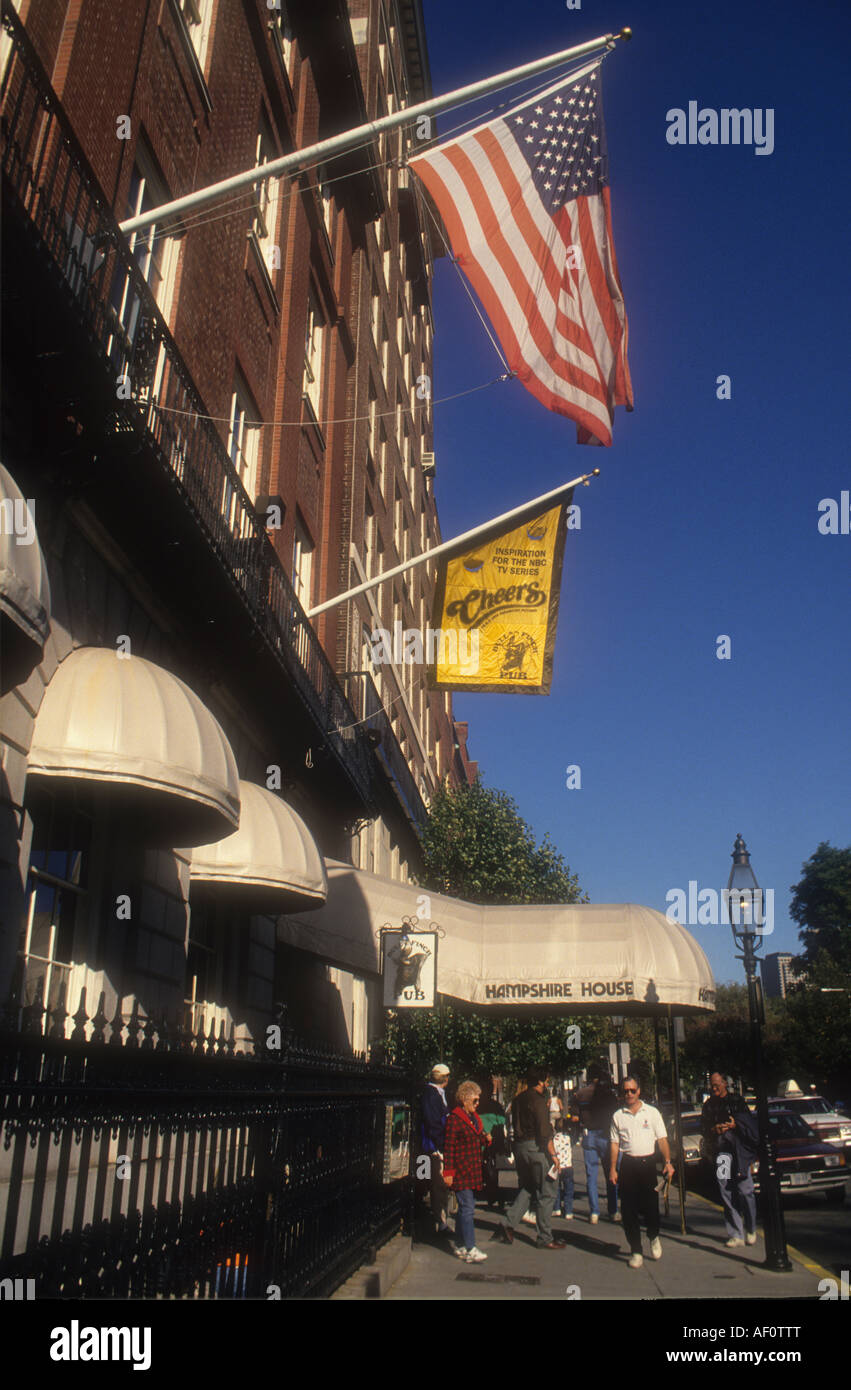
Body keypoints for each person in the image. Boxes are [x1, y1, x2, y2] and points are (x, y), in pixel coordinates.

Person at [496, 1067, 566, 1250]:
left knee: (528, 1188)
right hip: (536, 1148)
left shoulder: (518, 1099)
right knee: (547, 1191)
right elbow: (544, 1132)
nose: (548, 1083)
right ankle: (545, 1236)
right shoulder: (539, 1101)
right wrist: (554, 1155)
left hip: (520, 1148)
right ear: (542, 1081)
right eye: (547, 1080)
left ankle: (507, 1224)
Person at [608, 1076, 674, 1269]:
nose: (628, 1094)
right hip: (628, 1165)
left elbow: (662, 1139)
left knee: (651, 1208)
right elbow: (614, 1144)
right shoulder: (617, 1116)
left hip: (648, 1165)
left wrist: (668, 1162)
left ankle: (653, 1236)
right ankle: (636, 1250)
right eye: (625, 1091)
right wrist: (613, 1168)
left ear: (639, 1091)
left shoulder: (652, 1113)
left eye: (632, 1090)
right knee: (628, 1211)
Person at [700, 1072, 758, 1248]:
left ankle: (751, 1227)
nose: (714, 1088)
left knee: (745, 1190)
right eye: (712, 1085)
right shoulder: (709, 1105)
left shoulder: (737, 1101)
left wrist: (734, 1125)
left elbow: (748, 1123)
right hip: (722, 1154)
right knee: (726, 1190)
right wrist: (714, 1129)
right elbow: (704, 1128)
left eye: (717, 1084)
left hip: (739, 1152)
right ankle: (735, 1233)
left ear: (725, 1083)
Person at [443, 1079, 491, 1263]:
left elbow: (476, 1137)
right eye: (475, 1100)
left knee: (465, 1207)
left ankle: (460, 1244)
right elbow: (449, 1147)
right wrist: (448, 1172)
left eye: (478, 1100)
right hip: (461, 1170)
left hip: (472, 1169)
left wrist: (485, 1139)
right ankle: (470, 1247)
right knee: (468, 1208)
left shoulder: (473, 1118)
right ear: (464, 1099)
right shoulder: (455, 1119)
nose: (477, 1104)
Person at [574, 1065, 620, 1223]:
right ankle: (613, 1210)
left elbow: (575, 1114)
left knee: (591, 1176)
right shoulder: (608, 1094)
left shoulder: (581, 1094)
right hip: (606, 1135)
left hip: (589, 1135)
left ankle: (594, 1211)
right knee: (611, 1174)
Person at [420, 1063, 451, 1235]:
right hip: (433, 1148)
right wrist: (441, 1145)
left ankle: (440, 1220)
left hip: (434, 1146)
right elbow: (433, 1123)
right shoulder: (432, 1095)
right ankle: (440, 1223)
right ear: (445, 1078)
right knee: (437, 1185)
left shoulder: (436, 1093)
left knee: (436, 1184)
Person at [477, 1081, 508, 1210]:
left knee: (489, 1170)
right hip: (484, 1143)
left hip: (487, 1143)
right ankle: (493, 1195)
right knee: (490, 1171)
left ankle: (492, 1194)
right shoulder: (492, 1106)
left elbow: (501, 1125)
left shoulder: (483, 1106)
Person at [553, 1118, 574, 1218]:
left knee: (556, 1188)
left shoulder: (554, 1139)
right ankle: (568, 1211)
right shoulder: (568, 1138)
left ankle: (556, 1208)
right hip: (568, 1167)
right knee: (568, 1190)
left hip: (558, 1167)